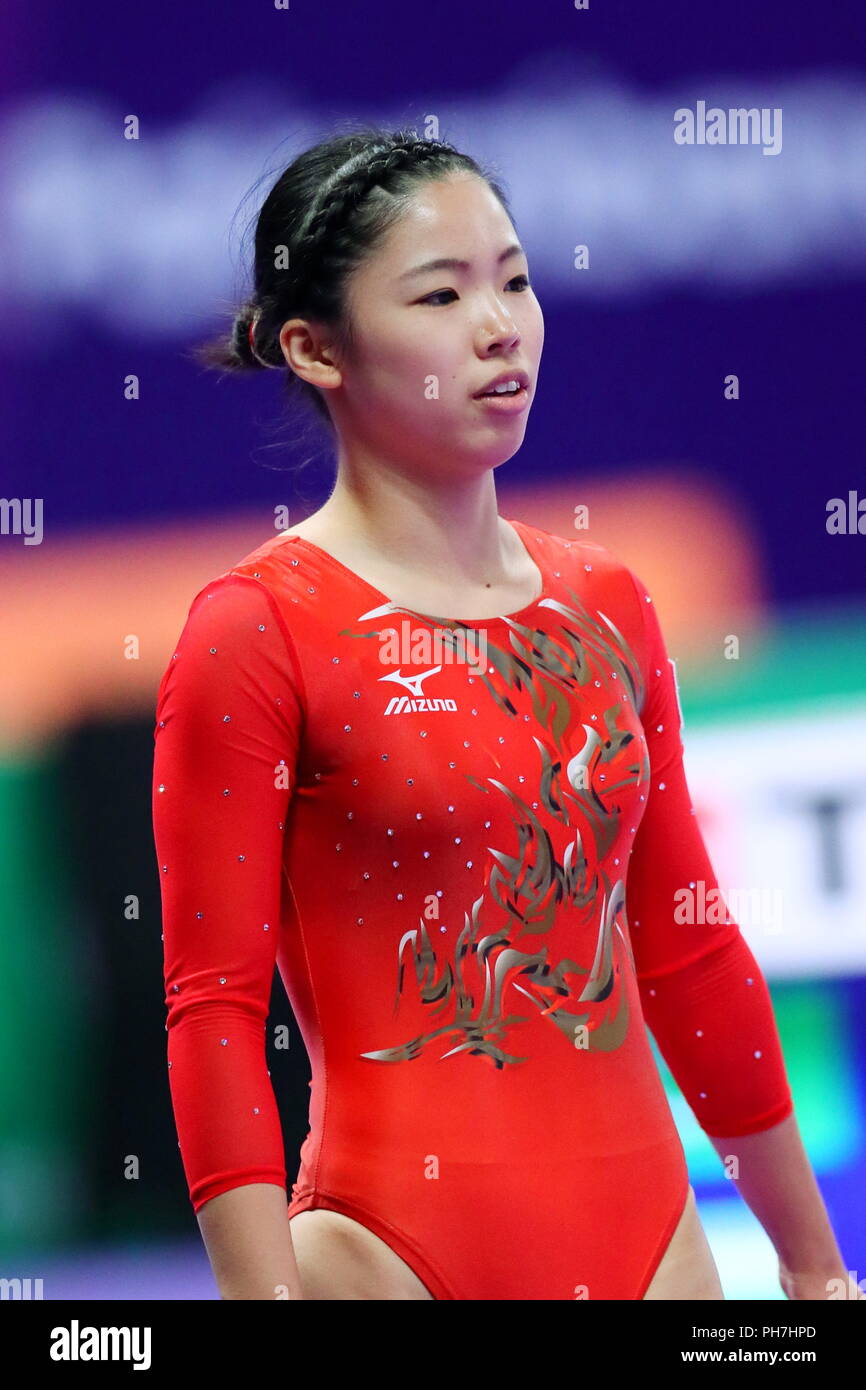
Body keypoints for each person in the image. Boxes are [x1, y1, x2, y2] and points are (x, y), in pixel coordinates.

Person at [152, 125, 856, 1301]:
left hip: (660, 1255)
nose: (500, 327)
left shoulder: (606, 605)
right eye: (441, 293)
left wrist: (815, 1267)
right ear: (314, 347)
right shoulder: (255, 630)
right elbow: (213, 1009)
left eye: (515, 280)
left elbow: (687, 950)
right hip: (388, 1258)